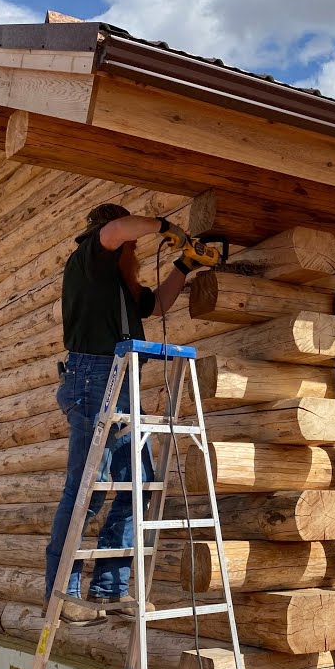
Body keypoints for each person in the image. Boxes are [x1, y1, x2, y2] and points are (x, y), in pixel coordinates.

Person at [45, 203, 202, 626]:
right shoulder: (91, 259)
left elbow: (156, 307)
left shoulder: (116, 284)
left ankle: (110, 592)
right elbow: (114, 230)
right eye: (132, 242)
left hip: (119, 379)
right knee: (88, 489)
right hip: (94, 378)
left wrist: (185, 264)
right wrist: (166, 226)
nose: (132, 249)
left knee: (140, 487)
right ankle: (62, 595)